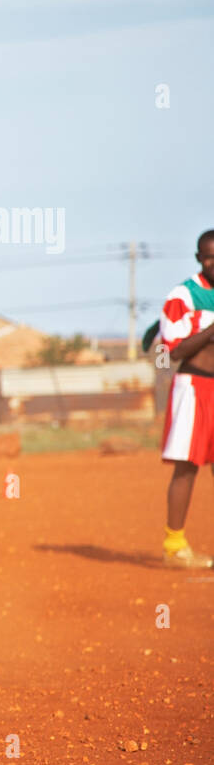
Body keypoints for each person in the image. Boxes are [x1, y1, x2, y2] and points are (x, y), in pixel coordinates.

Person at [157, 230, 214, 568]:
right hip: (194, 386)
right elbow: (172, 351)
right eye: (209, 257)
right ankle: (174, 546)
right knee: (187, 466)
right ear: (198, 258)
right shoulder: (184, 295)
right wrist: (210, 331)